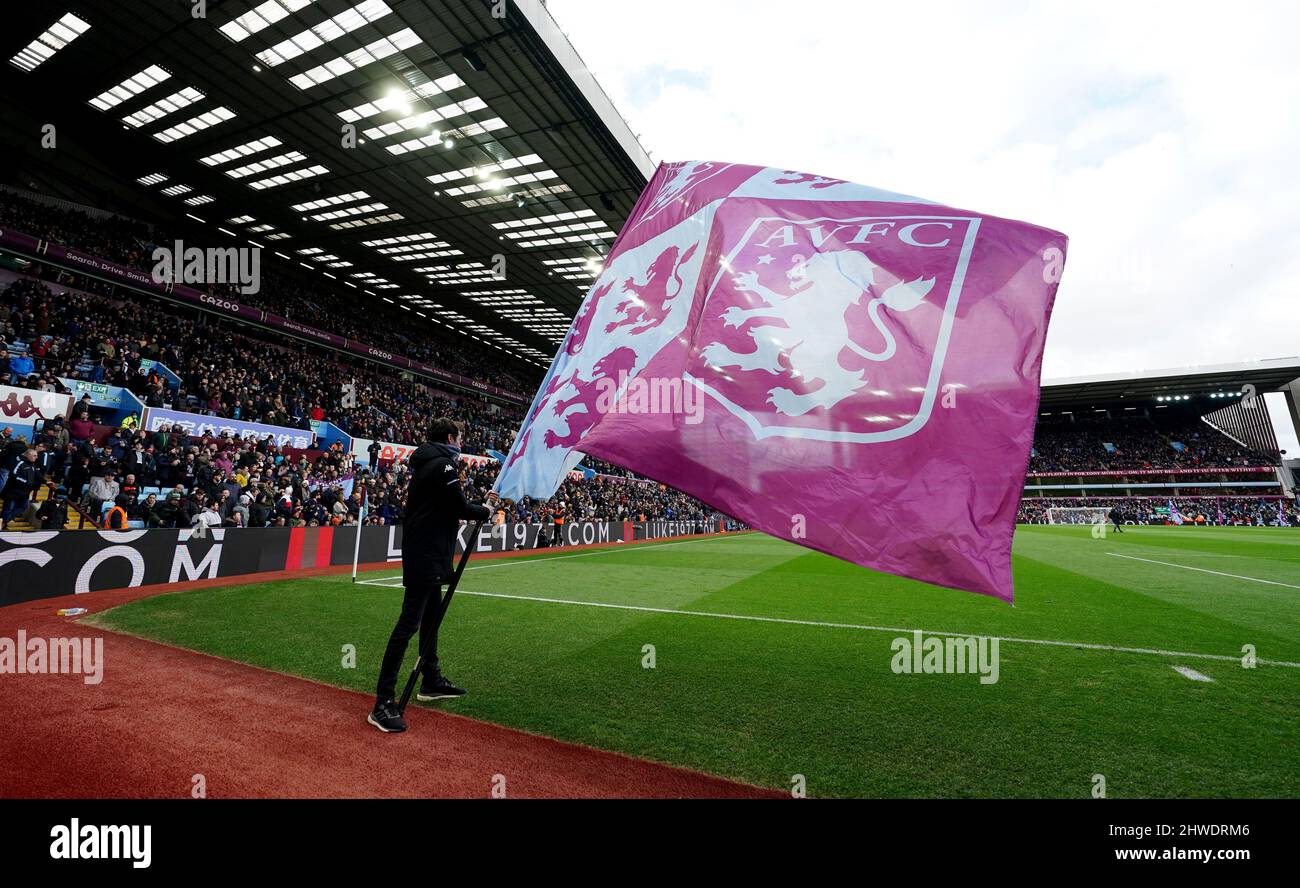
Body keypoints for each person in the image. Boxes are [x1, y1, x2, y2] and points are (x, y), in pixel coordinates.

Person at [369, 418, 496, 734]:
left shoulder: (433, 462)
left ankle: (431, 678)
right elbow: (459, 507)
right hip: (426, 555)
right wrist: (487, 511)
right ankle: (383, 702)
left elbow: (448, 507)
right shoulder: (443, 465)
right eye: (461, 436)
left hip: (430, 553)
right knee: (409, 623)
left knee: (431, 618)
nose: (462, 442)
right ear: (451, 436)